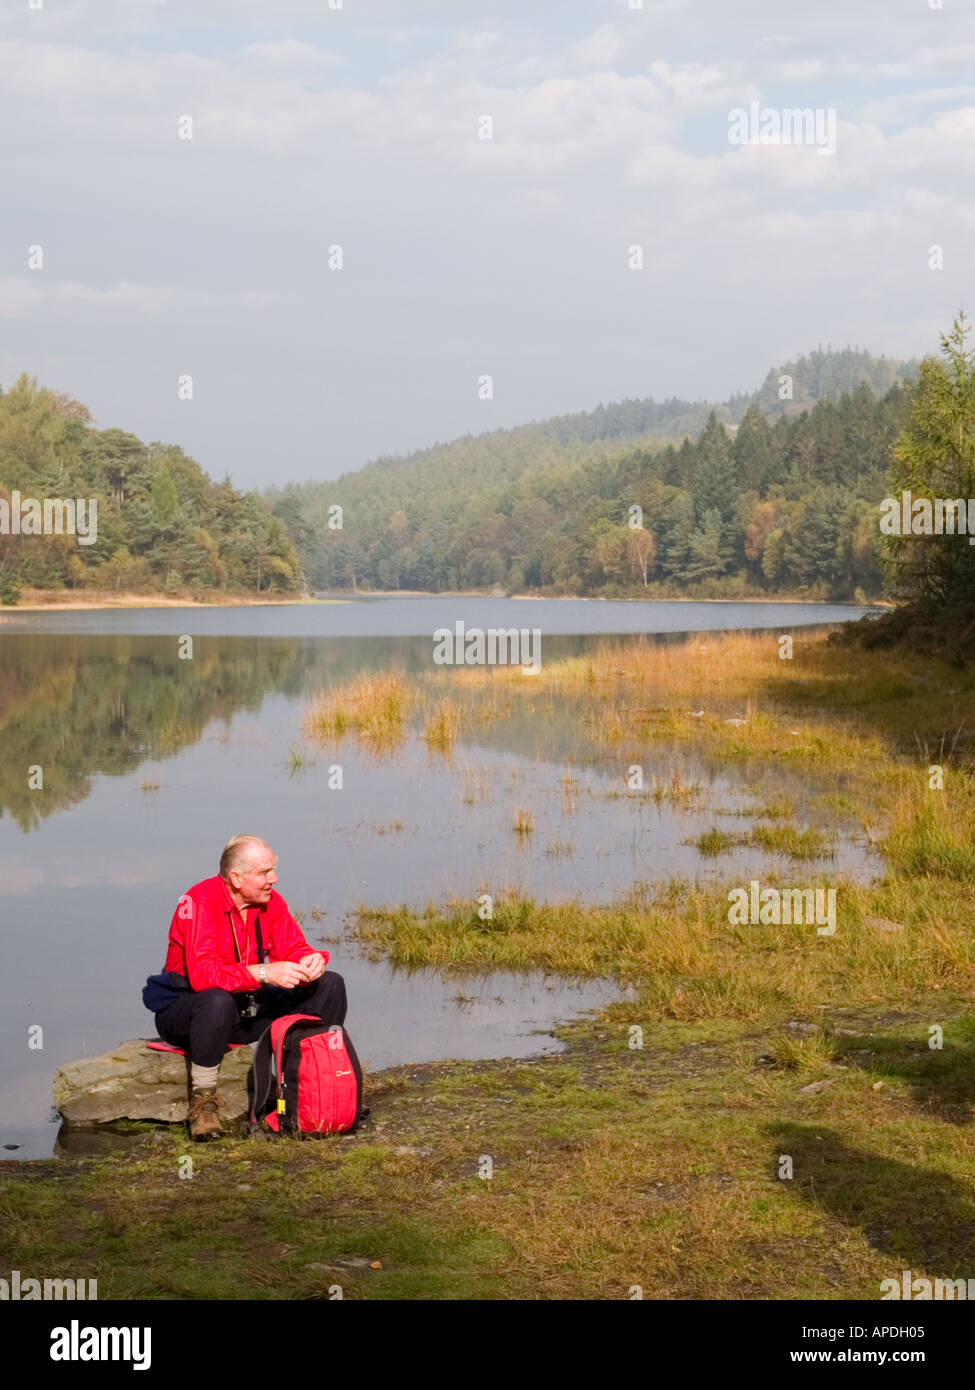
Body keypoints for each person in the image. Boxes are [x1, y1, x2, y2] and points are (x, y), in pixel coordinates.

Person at [152, 835, 347, 1140]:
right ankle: (203, 1106)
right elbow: (203, 975)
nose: (274, 878)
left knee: (330, 983)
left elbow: (294, 946)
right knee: (216, 1000)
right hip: (190, 1013)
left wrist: (310, 961)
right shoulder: (198, 901)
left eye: (273, 870)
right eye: (265, 872)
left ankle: (316, 1086)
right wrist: (265, 972)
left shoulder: (271, 901)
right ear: (236, 878)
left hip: (246, 1006)